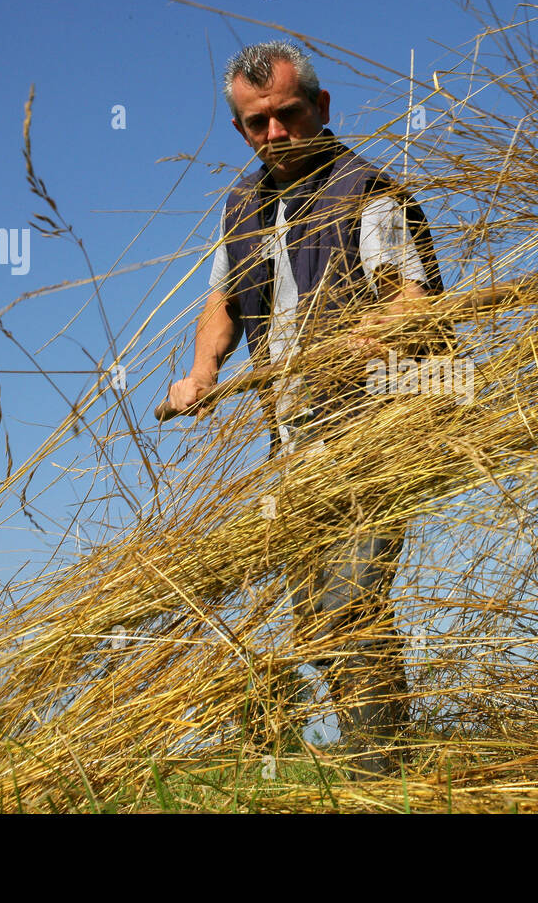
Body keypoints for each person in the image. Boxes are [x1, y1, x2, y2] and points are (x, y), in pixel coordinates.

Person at [164, 40, 445, 777]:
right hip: (291, 449)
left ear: (321, 107)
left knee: (350, 607)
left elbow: (415, 307)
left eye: (289, 116)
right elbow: (222, 300)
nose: (275, 135)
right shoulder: (244, 205)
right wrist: (199, 372)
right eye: (258, 124)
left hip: (369, 438)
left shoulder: (367, 193)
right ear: (240, 128)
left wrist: (365, 336)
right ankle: (379, 765)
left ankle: (382, 777)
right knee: (316, 619)